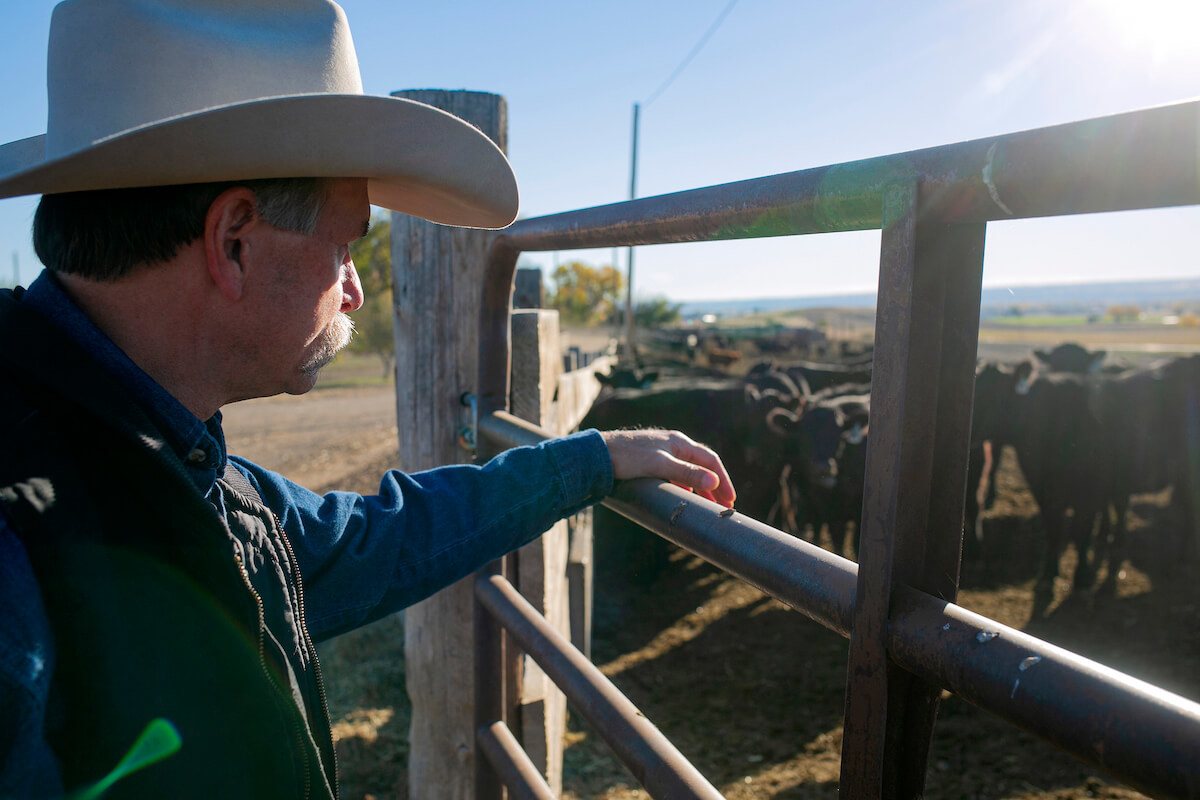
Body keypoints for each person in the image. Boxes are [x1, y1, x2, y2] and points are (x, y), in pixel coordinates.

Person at [0, 2, 735, 797]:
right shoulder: (24, 550)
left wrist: (588, 461)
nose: (354, 291)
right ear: (234, 241)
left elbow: (363, 541)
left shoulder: (159, 463)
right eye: (345, 244)